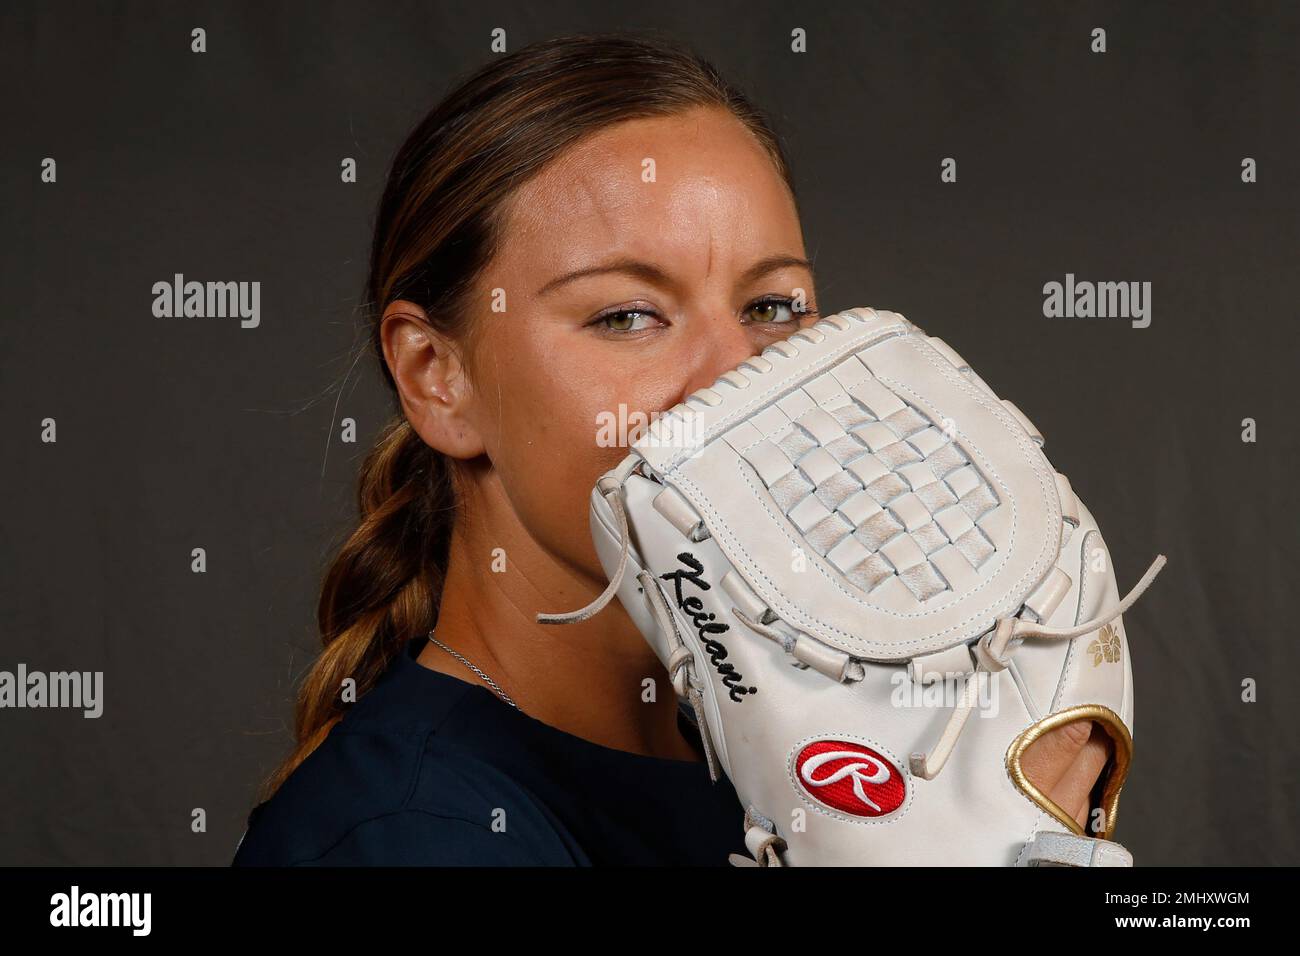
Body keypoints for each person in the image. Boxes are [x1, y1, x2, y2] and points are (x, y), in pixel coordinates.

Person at [233, 30, 1114, 866]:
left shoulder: (826, 769)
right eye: (626, 316)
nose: (737, 381)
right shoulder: (407, 833)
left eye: (772, 307)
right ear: (437, 376)